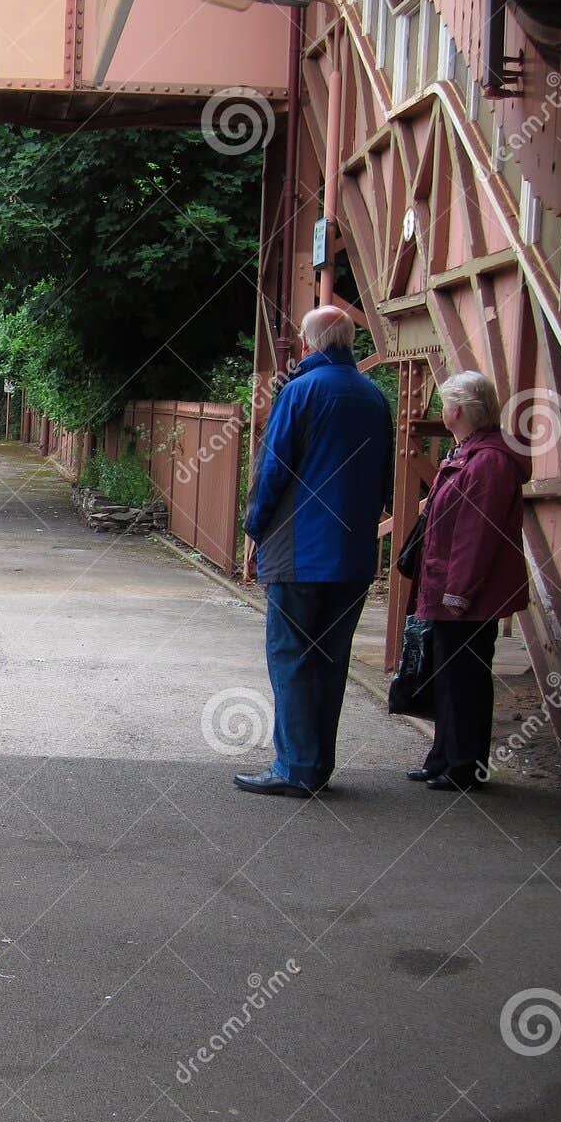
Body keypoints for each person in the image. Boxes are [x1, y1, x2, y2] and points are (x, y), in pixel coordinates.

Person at [236, 305, 394, 797]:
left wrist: (254, 528)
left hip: (300, 551)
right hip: (351, 555)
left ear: (307, 344)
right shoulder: (374, 397)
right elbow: (386, 479)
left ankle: (295, 768)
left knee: (292, 657)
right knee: (330, 660)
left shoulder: (299, 392)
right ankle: (317, 764)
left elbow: (273, 468)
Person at [406, 371, 529, 791]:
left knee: (464, 677)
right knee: (451, 674)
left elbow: (476, 534)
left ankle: (463, 765)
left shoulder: (487, 461)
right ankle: (446, 757)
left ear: (456, 410)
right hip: (456, 586)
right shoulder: (476, 454)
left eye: (445, 403)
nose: (442, 410)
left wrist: (458, 591)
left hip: (465, 591)